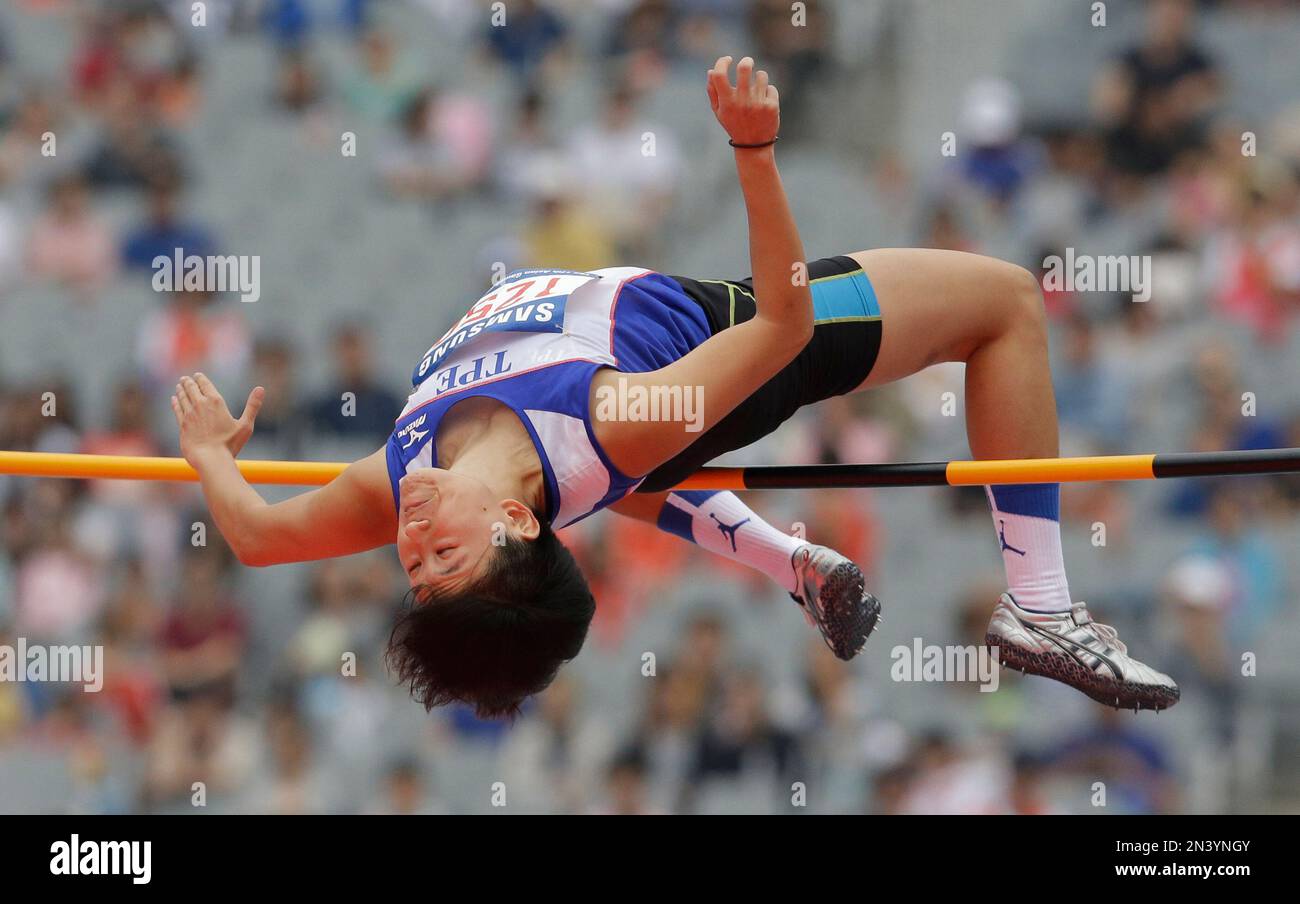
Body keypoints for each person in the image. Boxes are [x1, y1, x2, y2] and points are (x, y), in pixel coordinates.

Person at [171, 56, 1179, 719]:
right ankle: (1041, 606)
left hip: (618, 433)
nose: (410, 540)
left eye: (413, 565)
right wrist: (751, 152)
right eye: (443, 555)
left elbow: (258, 537)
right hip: (747, 326)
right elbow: (782, 328)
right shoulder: (616, 419)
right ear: (518, 524)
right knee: (1004, 304)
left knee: (622, 473)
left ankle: (784, 560)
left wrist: (213, 453)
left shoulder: (401, 480)